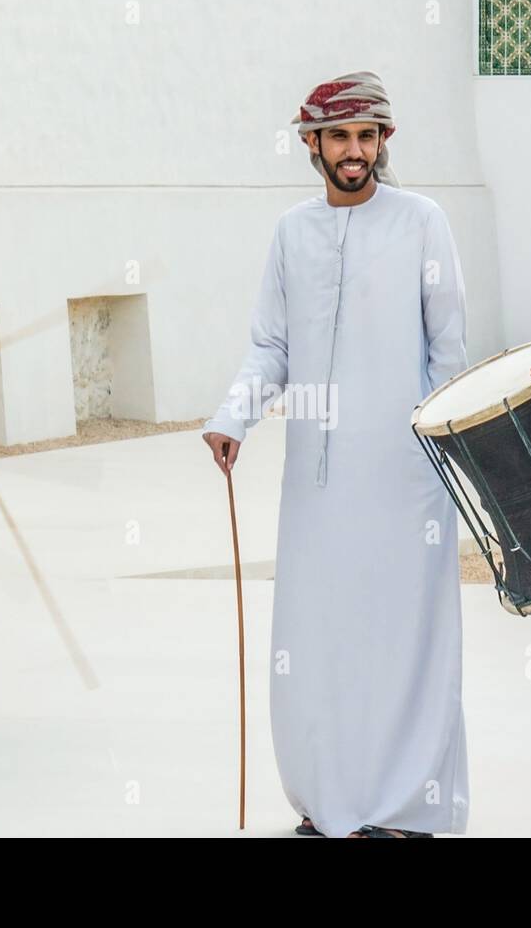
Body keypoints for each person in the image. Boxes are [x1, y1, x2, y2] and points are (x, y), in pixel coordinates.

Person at [202, 72, 468, 838]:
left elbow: (450, 354)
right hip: (316, 486)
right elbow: (271, 347)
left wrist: (450, 465)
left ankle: (407, 808)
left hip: (406, 480)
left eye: (368, 137)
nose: (355, 152)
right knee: (319, 644)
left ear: (384, 142)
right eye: (340, 137)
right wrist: (234, 418)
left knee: (403, 642)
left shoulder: (423, 221)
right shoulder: (292, 231)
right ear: (311, 143)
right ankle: (331, 804)